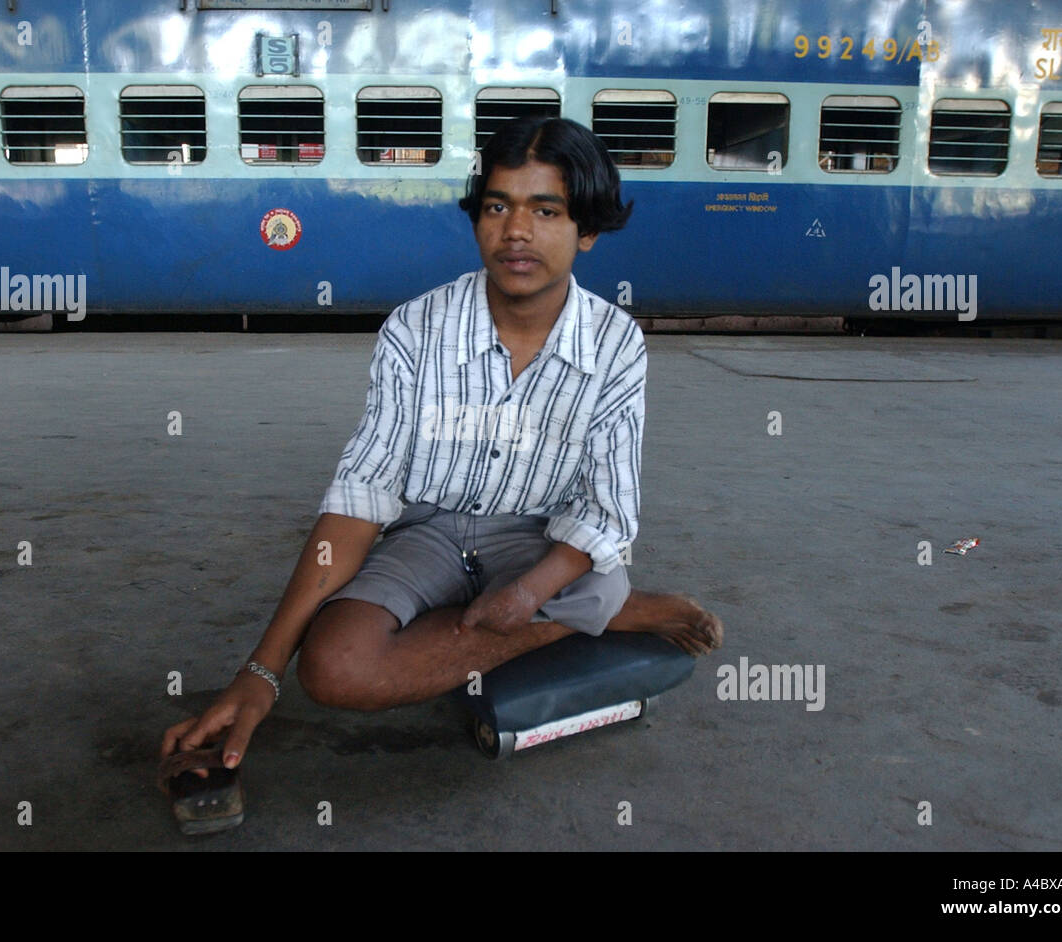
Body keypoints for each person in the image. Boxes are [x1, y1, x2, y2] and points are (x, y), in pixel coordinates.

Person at [161, 116, 724, 771]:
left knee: (593, 573)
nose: (516, 231)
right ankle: (592, 615)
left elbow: (605, 509)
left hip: (536, 538)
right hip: (426, 532)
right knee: (334, 668)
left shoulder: (616, 343)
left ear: (588, 230)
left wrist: (524, 595)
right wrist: (261, 669)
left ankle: (583, 606)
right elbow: (361, 496)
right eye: (497, 206)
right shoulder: (415, 328)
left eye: (546, 209)